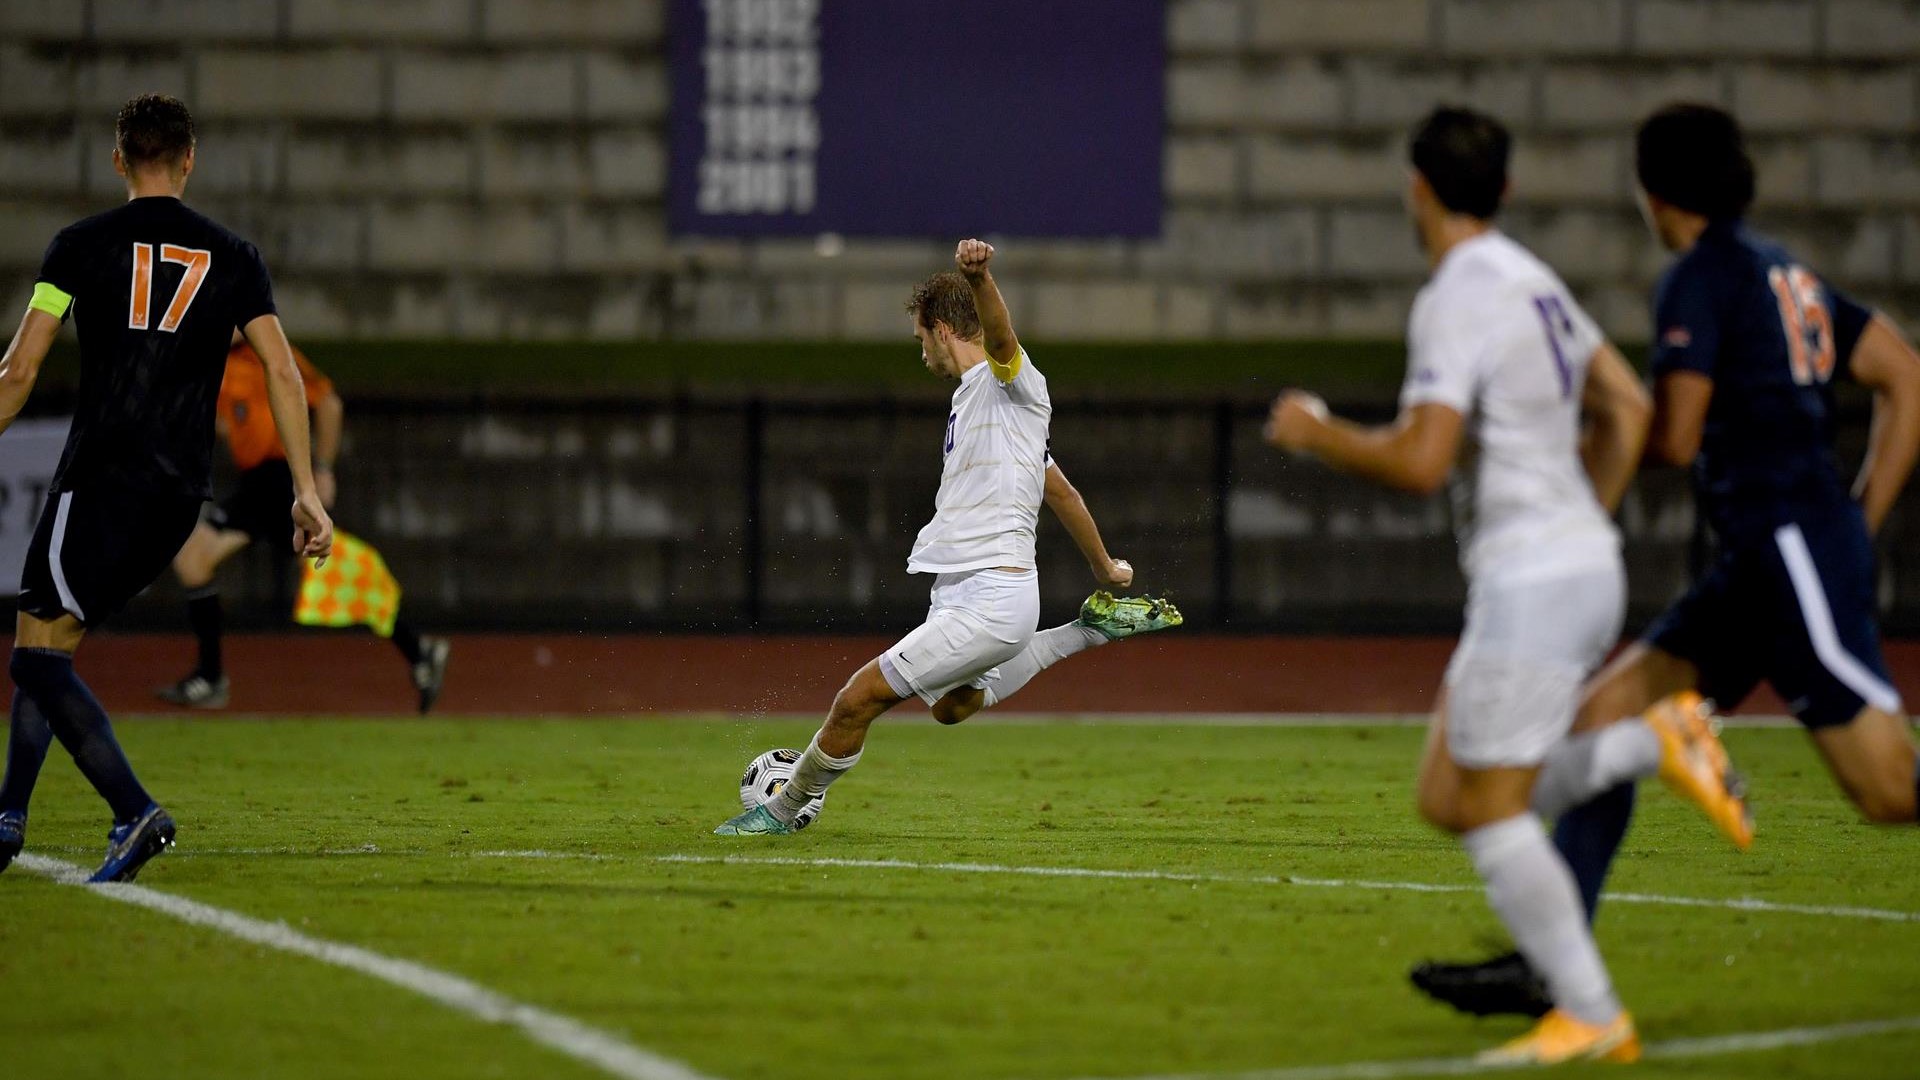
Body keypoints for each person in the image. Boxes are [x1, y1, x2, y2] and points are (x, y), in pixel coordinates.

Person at [1411, 102, 1920, 1018]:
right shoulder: (1784, 272)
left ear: (1655, 191)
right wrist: (1859, 519)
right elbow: (1902, 371)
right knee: (1598, 733)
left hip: (1789, 556)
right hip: (1763, 564)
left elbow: (1676, 434)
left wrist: (1564, 462)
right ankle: (1549, 967)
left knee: (1888, 790)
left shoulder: (1701, 279)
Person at [1266, 106, 1660, 1065]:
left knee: (1486, 805)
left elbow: (1422, 459)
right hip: (1574, 564)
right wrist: (1585, 523)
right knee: (1449, 794)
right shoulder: (1536, 281)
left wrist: (1320, 433)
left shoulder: (1454, 294)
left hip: (1533, 577)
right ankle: (1642, 748)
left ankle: (1592, 1012)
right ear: (1507, 191)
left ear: (1418, 189)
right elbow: (1631, 405)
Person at [714, 240, 1182, 836]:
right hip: (965, 595)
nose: (922, 354)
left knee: (857, 698)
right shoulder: (982, 408)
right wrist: (1105, 569)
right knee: (952, 708)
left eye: (920, 340)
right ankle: (1087, 629)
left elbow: (1004, 341)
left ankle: (781, 809)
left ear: (939, 329)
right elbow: (1061, 492)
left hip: (992, 596)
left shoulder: (1009, 381)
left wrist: (980, 279)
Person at [0, 95, 332, 882]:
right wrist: (306, 489)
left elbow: (19, 370)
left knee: (35, 662)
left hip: (100, 476)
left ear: (119, 160)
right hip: (177, 492)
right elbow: (284, 370)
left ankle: (132, 809)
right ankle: (8, 818)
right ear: (190, 160)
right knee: (44, 640)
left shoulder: (76, 251)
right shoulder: (235, 256)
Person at [156, 336, 450, 713]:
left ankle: (212, 678)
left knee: (204, 560)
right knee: (208, 560)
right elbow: (229, 422)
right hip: (258, 484)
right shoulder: (215, 361)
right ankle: (419, 649)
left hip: (277, 480)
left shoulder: (271, 352)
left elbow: (328, 403)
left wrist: (323, 469)